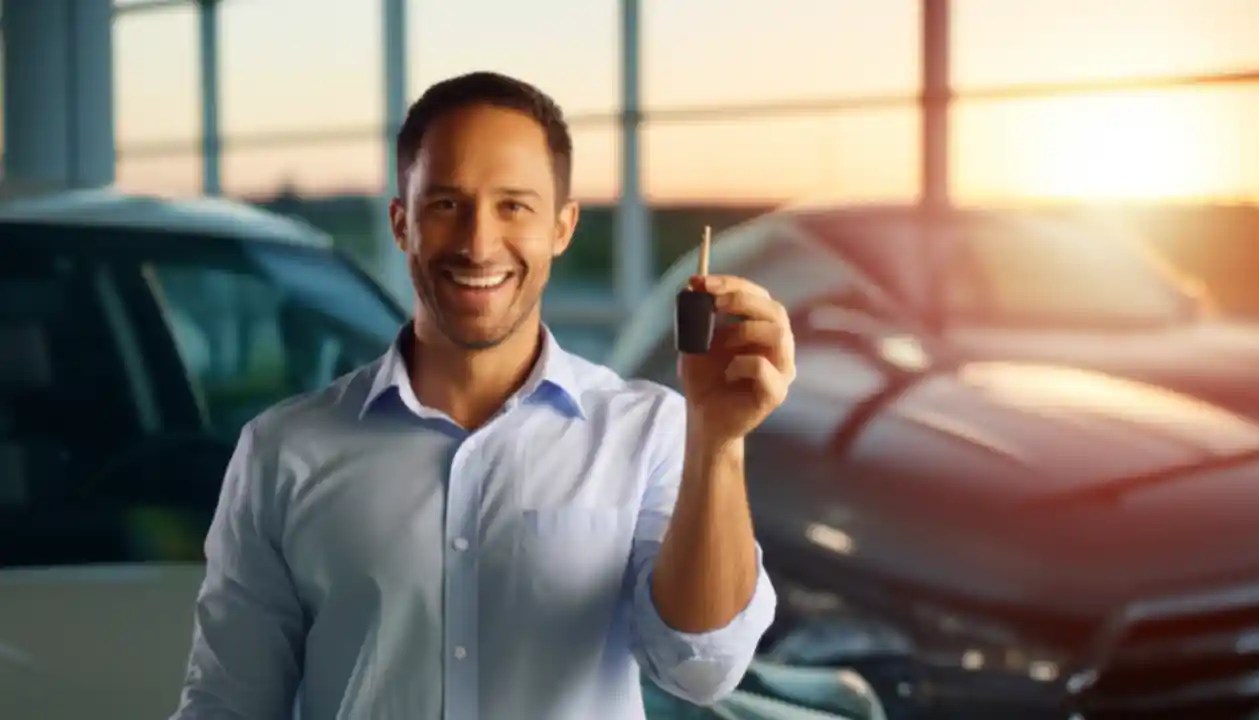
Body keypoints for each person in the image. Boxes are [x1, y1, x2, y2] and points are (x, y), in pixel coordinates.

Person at [171, 70, 796, 720]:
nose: (477, 242)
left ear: (562, 227)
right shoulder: (284, 451)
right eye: (446, 204)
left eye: (513, 206)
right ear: (401, 223)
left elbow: (701, 668)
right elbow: (228, 705)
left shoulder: (649, 433)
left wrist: (718, 441)